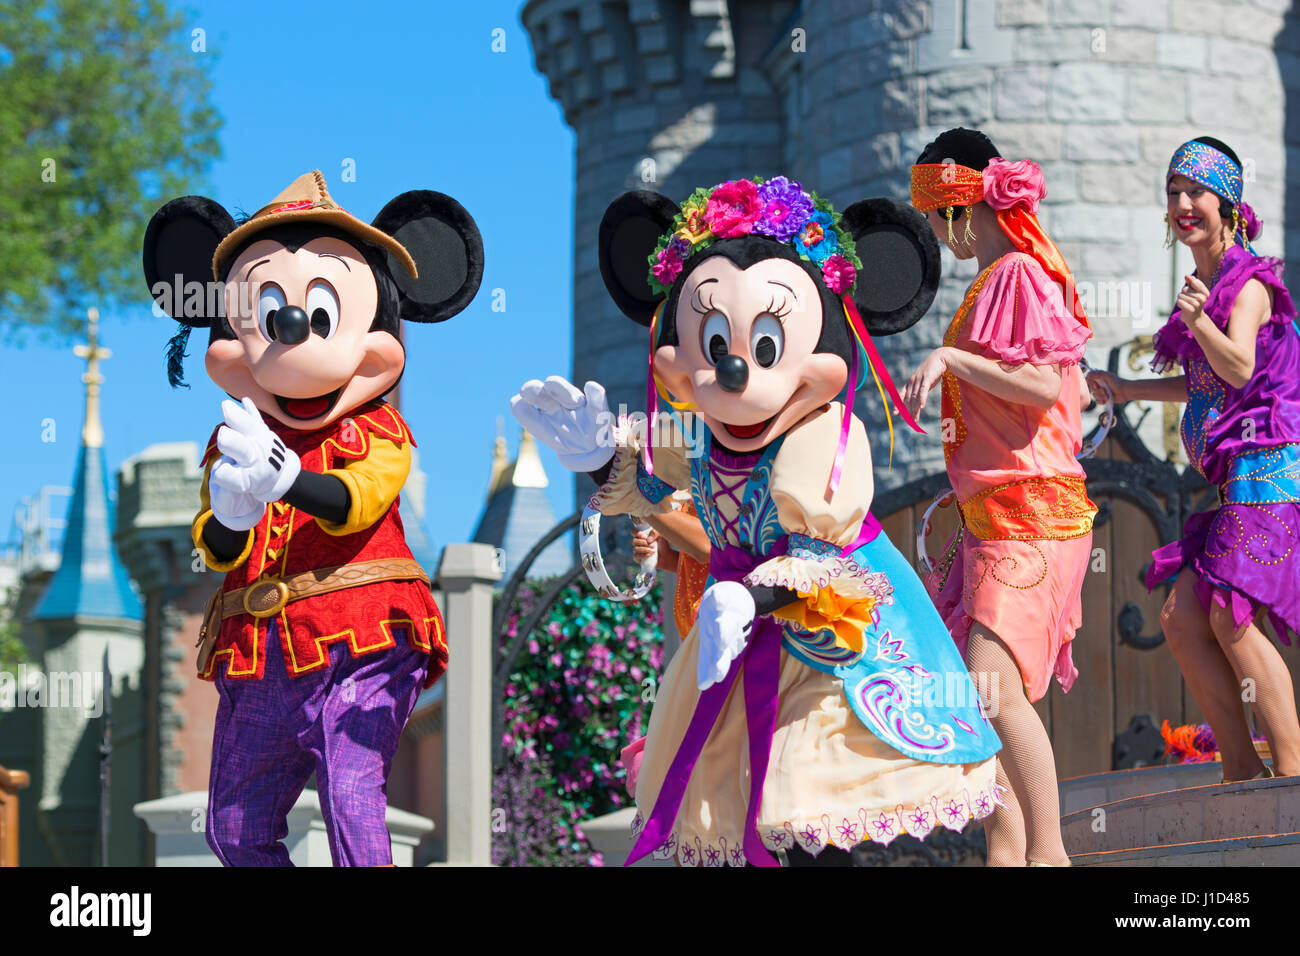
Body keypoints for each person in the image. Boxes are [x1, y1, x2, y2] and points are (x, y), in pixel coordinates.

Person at [513, 178, 1001, 866]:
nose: (736, 369)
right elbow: (652, 481)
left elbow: (823, 561)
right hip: (741, 634)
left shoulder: (823, 435)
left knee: (802, 802)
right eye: (713, 343)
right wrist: (598, 458)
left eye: (766, 345)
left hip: (839, 640)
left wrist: (751, 595)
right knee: (751, 808)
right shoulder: (704, 437)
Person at [905, 128, 1096, 867]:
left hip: (1032, 518)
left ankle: (1051, 858)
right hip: (998, 522)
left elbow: (1046, 385)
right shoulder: (994, 281)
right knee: (980, 715)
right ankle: (1010, 858)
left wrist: (951, 358)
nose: (928, 231)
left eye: (931, 215)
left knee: (989, 691)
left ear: (955, 209)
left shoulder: (1016, 274)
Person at [1087, 136, 1300, 782]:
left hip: (1270, 471)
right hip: (1234, 483)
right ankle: (1241, 771)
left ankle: (1291, 779)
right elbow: (1200, 380)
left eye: (1195, 191)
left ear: (1228, 202)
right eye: (1173, 192)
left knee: (1227, 616)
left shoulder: (1253, 282)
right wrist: (1127, 389)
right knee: (1182, 617)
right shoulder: (1204, 285)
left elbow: (1234, 366)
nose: (1182, 203)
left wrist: (1201, 321)